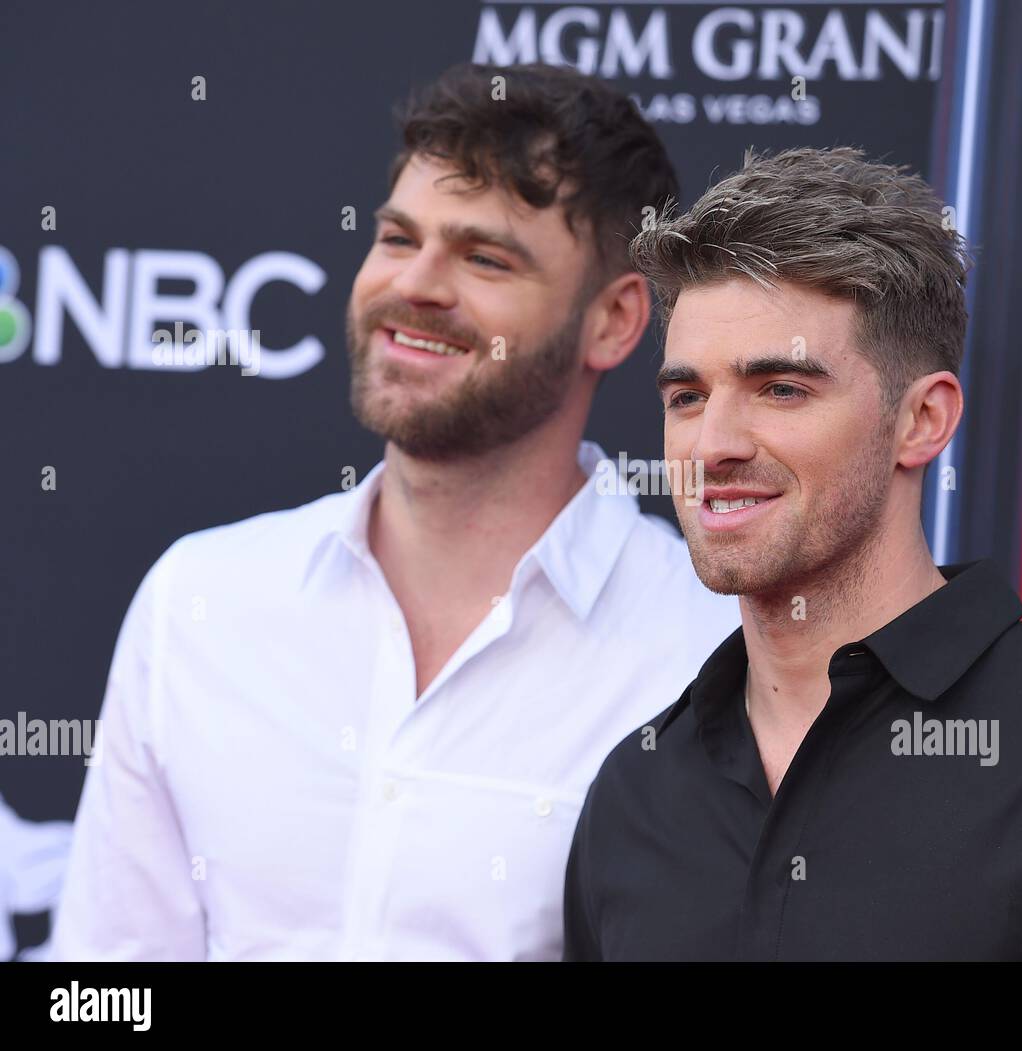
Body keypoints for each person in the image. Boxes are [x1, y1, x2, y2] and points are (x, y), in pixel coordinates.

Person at [51, 63, 738, 961]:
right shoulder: (201, 601)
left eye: (485, 256)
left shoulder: (708, 652)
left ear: (613, 321)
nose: (416, 285)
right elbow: (106, 983)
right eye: (396, 238)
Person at [562, 147, 1022, 961]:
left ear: (922, 420)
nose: (712, 445)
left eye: (781, 389)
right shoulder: (634, 794)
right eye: (688, 397)